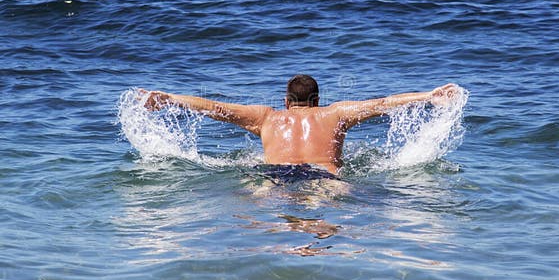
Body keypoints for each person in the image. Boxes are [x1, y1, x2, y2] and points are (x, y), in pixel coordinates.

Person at [141, 74, 458, 177]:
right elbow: (383, 103)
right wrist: (430, 96)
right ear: (317, 100)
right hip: (325, 177)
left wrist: (168, 98)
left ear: (286, 101)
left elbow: (215, 107)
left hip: (274, 176)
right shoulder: (335, 114)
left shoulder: (267, 117)